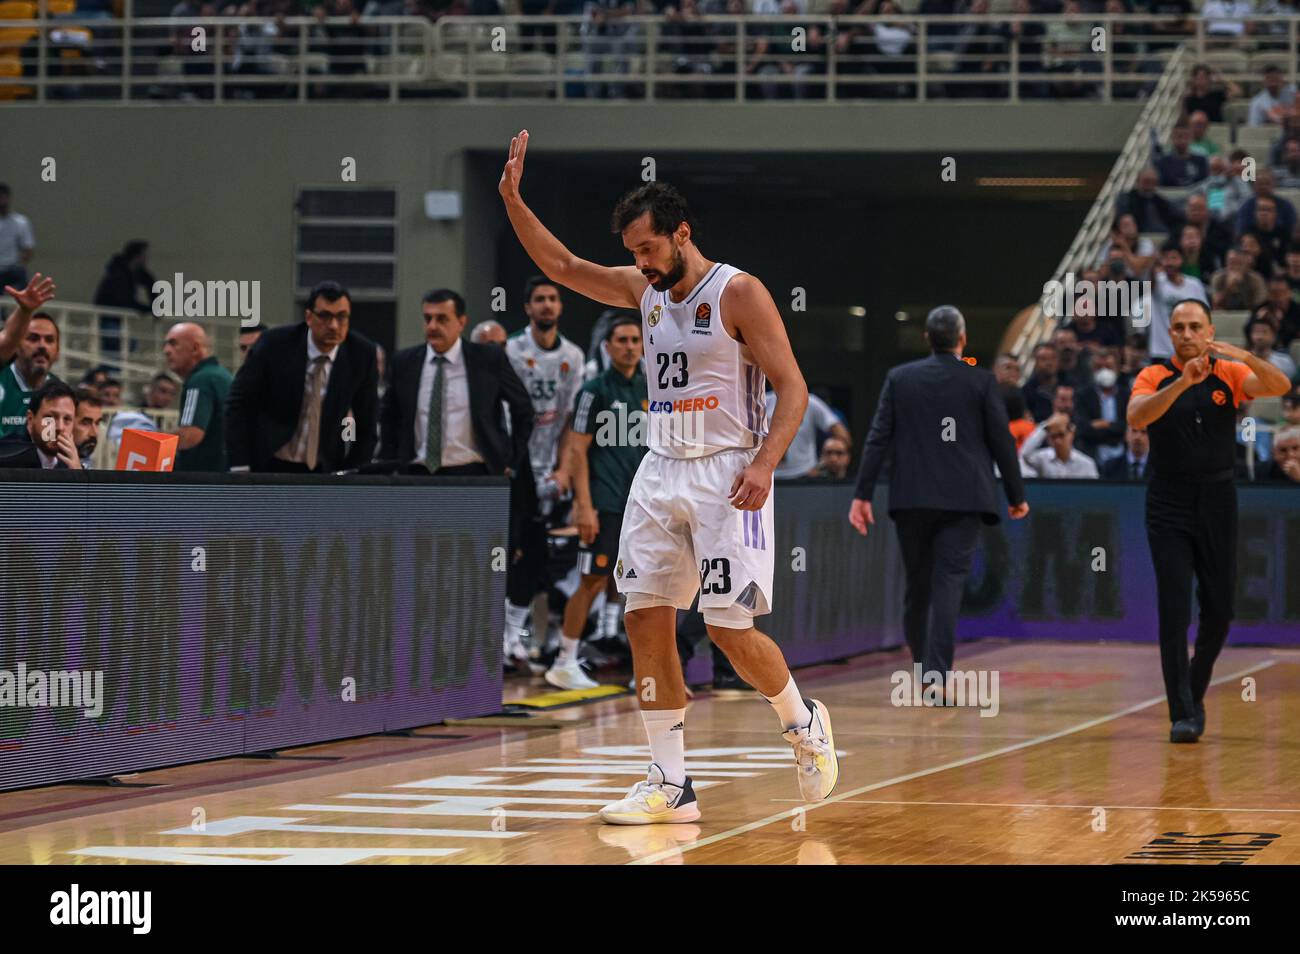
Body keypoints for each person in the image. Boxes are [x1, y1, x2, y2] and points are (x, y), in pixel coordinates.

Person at [500, 130, 838, 824]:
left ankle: (803, 723)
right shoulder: (641, 289)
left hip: (727, 473)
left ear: (682, 233)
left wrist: (766, 462)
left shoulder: (738, 291)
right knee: (644, 618)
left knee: (726, 629)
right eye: (634, 253)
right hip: (660, 469)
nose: (641, 263)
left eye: (650, 248)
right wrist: (512, 200)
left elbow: (793, 387)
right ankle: (671, 783)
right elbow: (562, 264)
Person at [1127, 299, 1292, 743]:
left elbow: (1279, 385)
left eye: (1194, 326)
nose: (1185, 333)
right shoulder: (1154, 375)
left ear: (1209, 330)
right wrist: (1182, 384)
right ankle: (1182, 712)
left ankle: (1193, 691)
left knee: (1220, 611)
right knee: (1174, 608)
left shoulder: (1231, 374)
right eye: (1178, 326)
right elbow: (1137, 417)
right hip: (1168, 499)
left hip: (1219, 497)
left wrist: (1244, 356)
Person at [850, 306, 1028, 692]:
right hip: (964, 499)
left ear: (927, 338)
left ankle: (921, 668)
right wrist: (1016, 495)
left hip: (911, 497)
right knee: (948, 583)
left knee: (918, 584)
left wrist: (862, 494)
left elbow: (878, 437)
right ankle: (936, 674)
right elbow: (1002, 441)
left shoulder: (900, 378)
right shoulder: (981, 382)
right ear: (962, 339)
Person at [553, 315, 648, 690]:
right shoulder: (593, 391)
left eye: (635, 340)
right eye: (621, 340)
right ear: (607, 348)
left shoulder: (653, 388)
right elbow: (576, 450)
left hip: (642, 505)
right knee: (592, 579)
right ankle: (564, 661)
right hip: (605, 503)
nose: (629, 346)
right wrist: (584, 506)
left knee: (644, 586)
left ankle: (646, 670)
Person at [502, 276, 588, 670]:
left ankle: (529, 639)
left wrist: (564, 468)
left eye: (553, 298)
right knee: (513, 551)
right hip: (513, 464)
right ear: (527, 308)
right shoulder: (513, 350)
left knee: (545, 556)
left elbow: (571, 419)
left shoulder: (573, 356)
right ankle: (509, 638)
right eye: (539, 299)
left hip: (549, 466)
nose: (547, 305)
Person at [226, 281, 379, 473]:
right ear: (308, 317)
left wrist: (353, 472)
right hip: (270, 460)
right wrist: (240, 464)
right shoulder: (275, 344)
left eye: (341, 317)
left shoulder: (361, 354)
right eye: (324, 316)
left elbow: (367, 421)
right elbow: (238, 403)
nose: (333, 325)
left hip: (326, 466)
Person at [378, 288, 533, 477]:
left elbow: (523, 408)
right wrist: (389, 461)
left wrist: (510, 458)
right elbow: (388, 416)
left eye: (442, 319)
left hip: (474, 470)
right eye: (428, 318)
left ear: (461, 322)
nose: (433, 326)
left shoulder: (488, 359)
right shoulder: (404, 362)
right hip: (416, 471)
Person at [164, 322, 233, 472]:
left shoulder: (200, 380)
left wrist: (154, 440)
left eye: (173, 344)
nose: (166, 351)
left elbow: (190, 436)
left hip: (204, 479)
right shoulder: (220, 375)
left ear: (195, 348)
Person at [0, 276, 61, 438]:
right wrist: (25, 311)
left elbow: (53, 447)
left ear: (58, 351)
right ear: (17, 346)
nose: (42, 346)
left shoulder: (60, 392)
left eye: (49, 340)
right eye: (33, 338)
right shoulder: (2, 377)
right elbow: (6, 339)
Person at [765, 386, 851, 478]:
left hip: (806, 473)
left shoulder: (809, 401)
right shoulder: (764, 401)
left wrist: (837, 458)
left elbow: (838, 430)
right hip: (768, 474)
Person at [0, 380, 82, 469]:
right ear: (30, 420)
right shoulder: (8, 457)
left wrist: (78, 475)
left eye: (67, 419)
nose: (60, 427)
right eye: (50, 417)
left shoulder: (74, 466)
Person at [1150, 241, 1209, 359]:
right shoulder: (1157, 283)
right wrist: (1153, 261)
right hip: (1161, 351)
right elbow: (1149, 279)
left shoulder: (1194, 284)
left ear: (1182, 260)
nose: (1170, 263)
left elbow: (1205, 315)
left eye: (1174, 258)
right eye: (1166, 258)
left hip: (1190, 349)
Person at [1073, 347, 1129, 467]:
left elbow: (1127, 426)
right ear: (1093, 369)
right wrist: (1114, 428)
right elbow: (1083, 428)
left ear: (1118, 369)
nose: (1104, 372)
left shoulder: (1127, 395)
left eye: (1108, 367)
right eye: (1099, 367)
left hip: (1120, 455)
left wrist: (1104, 425)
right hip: (1091, 454)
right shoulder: (1082, 395)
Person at [106, 371, 178, 448]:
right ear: (151, 390)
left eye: (171, 393)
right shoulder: (133, 415)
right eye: (163, 391)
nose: (167, 397)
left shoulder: (170, 420)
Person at [1019, 412, 1100, 478]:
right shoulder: (1042, 458)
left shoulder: (1086, 464)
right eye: (1053, 437)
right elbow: (1024, 454)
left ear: (1071, 435)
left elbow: (1094, 493)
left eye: (1061, 435)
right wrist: (1046, 425)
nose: (1058, 441)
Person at [92, 240, 156, 313]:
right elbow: (127, 302)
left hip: (118, 315)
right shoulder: (118, 275)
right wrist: (150, 310)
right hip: (108, 316)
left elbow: (150, 283)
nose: (147, 259)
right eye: (145, 256)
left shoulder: (135, 273)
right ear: (137, 257)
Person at [0, 184, 35, 291]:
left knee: (23, 290)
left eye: (3, 197)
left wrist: (20, 264)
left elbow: (28, 248)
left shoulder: (21, 222)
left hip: (13, 269)